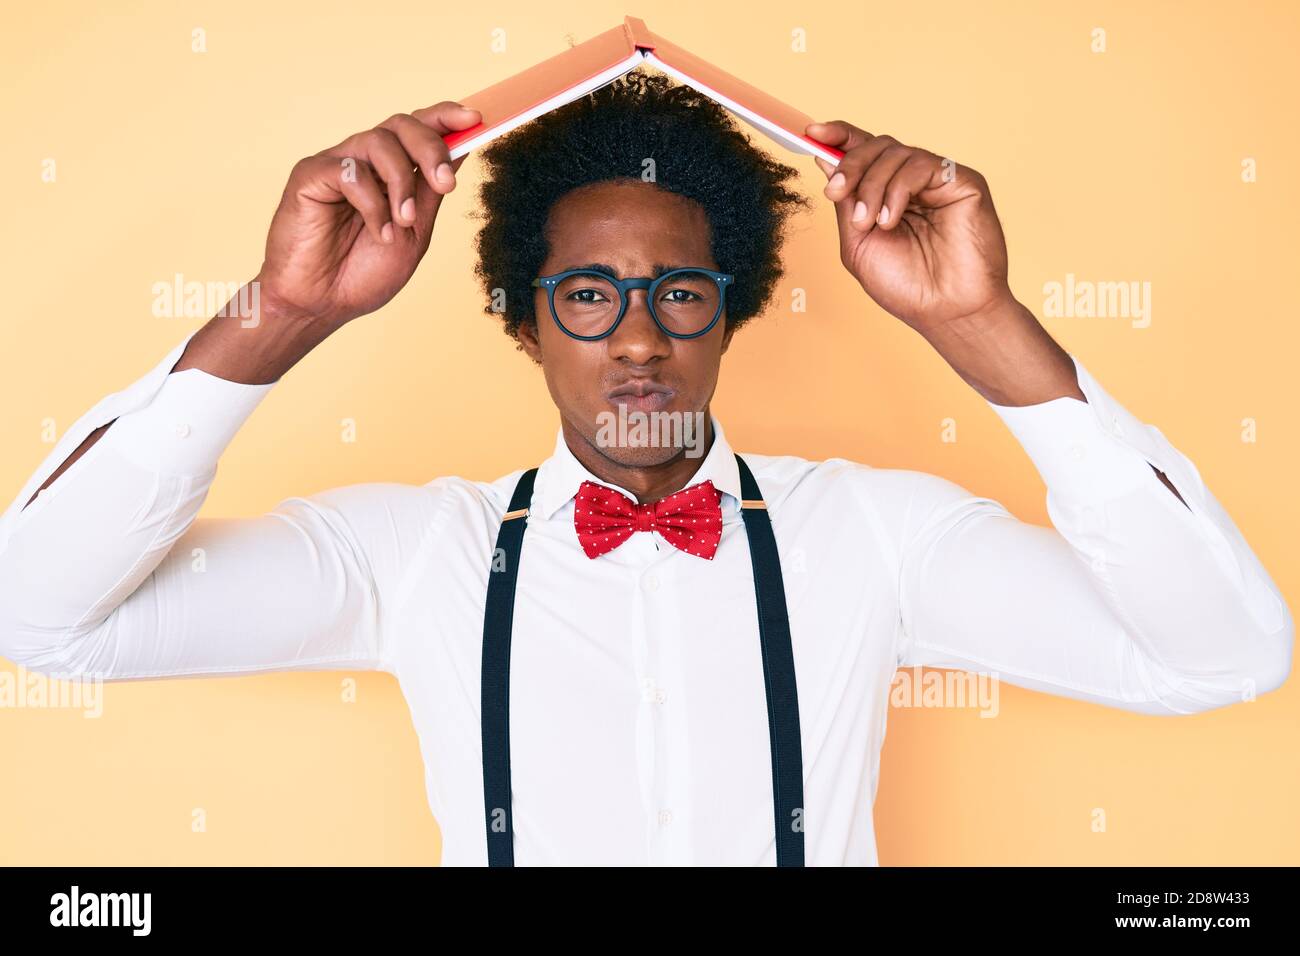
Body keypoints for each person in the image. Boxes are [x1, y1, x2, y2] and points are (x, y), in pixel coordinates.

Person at [0, 73, 1291, 866]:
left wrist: (976, 324)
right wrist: (284, 313)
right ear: (522, 320)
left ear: (730, 313)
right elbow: (41, 617)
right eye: (587, 297)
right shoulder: (414, 557)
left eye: (679, 293)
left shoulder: (876, 536)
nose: (634, 336)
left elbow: (1220, 657)